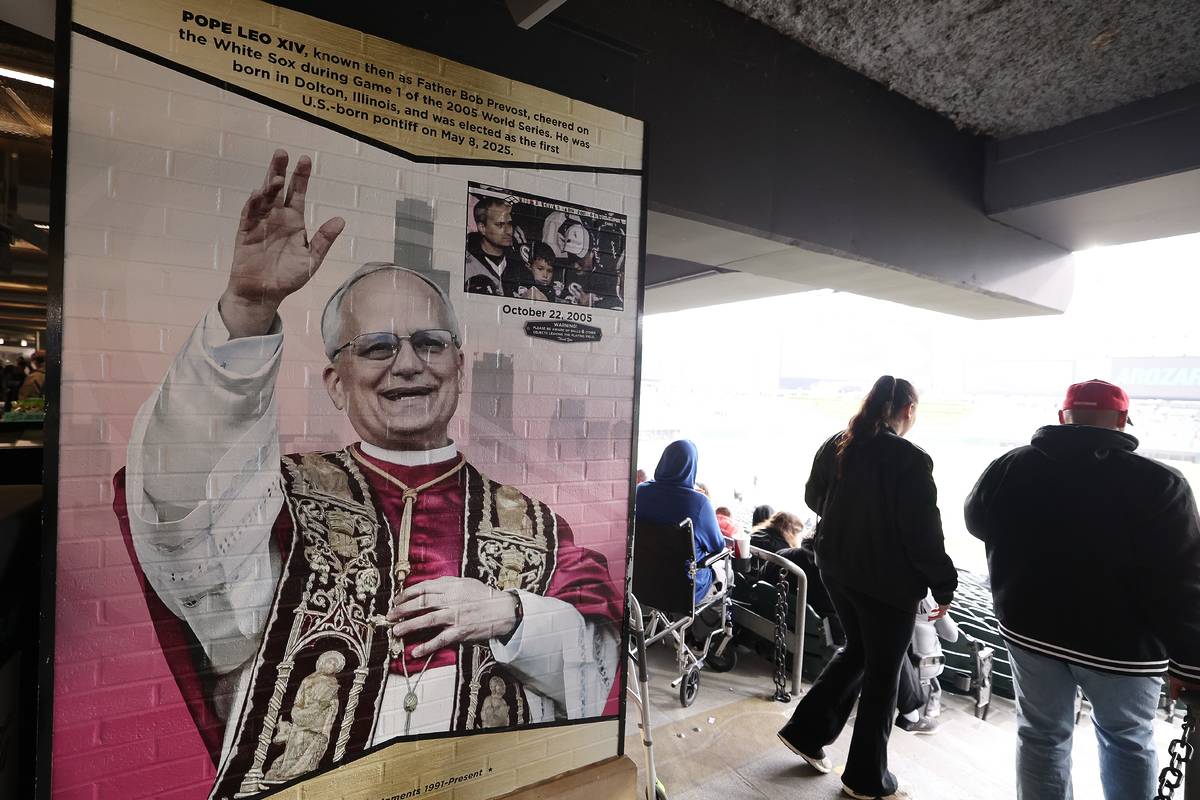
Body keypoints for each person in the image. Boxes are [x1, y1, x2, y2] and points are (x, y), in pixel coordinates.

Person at [113, 150, 621, 797]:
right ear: (336, 381)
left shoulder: (538, 523)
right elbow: (188, 528)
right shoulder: (278, 497)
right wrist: (246, 311)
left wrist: (510, 613)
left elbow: (594, 670)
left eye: (429, 344)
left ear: (459, 368)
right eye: (378, 347)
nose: (407, 364)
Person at [965, 379, 1200, 800]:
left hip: (1030, 631)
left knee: (1040, 735)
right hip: (1122, 649)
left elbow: (976, 521)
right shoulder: (1163, 484)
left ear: (1063, 417)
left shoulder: (1011, 465)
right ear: (1123, 421)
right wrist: (1189, 662)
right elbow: (1183, 581)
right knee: (1127, 740)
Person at [777, 375, 957, 800]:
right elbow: (923, 533)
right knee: (882, 674)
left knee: (858, 650)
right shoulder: (911, 460)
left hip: (837, 569)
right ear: (908, 410)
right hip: (886, 585)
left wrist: (850, 519)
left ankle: (806, 732)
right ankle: (865, 779)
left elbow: (811, 497)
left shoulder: (838, 443)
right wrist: (944, 583)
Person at [635, 440, 726, 603]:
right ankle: (715, 627)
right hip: (682, 591)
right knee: (726, 574)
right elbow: (718, 546)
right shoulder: (699, 503)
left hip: (642, 583)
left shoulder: (640, 491)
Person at [464, 195, 523, 296]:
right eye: (500, 225)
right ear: (482, 227)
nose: (509, 231)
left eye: (509, 224)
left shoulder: (520, 265)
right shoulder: (466, 264)